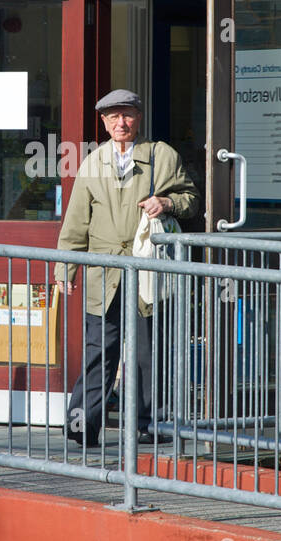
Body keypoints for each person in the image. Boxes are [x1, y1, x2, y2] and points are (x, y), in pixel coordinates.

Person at [55, 88, 200, 446]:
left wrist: (166, 202)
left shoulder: (162, 155)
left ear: (138, 118)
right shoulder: (93, 161)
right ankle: (81, 426)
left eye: (128, 115)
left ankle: (149, 425)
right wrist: (65, 270)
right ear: (104, 122)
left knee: (148, 352)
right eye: (113, 116)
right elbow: (76, 221)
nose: (121, 122)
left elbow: (192, 200)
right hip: (103, 271)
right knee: (98, 351)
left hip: (146, 268)